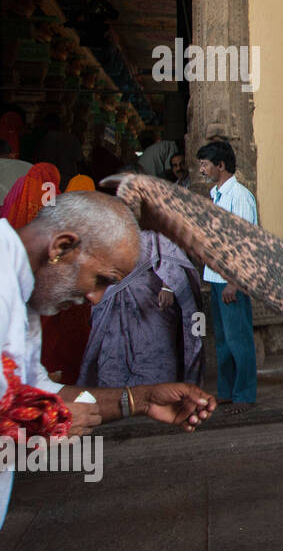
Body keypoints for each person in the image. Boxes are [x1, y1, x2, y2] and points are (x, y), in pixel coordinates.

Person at [0, 191, 217, 529]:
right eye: (101, 280)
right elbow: (38, 408)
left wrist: (141, 399)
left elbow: (35, 391)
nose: (96, 298)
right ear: (61, 247)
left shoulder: (22, 292)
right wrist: (41, 420)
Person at [78, 228, 205, 388]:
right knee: (112, 346)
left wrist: (167, 287)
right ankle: (114, 391)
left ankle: (161, 389)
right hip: (111, 296)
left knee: (155, 343)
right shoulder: (103, 221)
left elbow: (168, 249)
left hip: (150, 296)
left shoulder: (150, 222)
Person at [196, 141, 259, 413]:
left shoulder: (240, 196)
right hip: (215, 276)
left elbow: (246, 242)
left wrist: (235, 281)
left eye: (204, 164)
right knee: (222, 339)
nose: (201, 169)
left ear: (220, 165)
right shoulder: (217, 193)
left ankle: (244, 393)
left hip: (232, 279)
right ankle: (227, 390)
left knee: (239, 338)